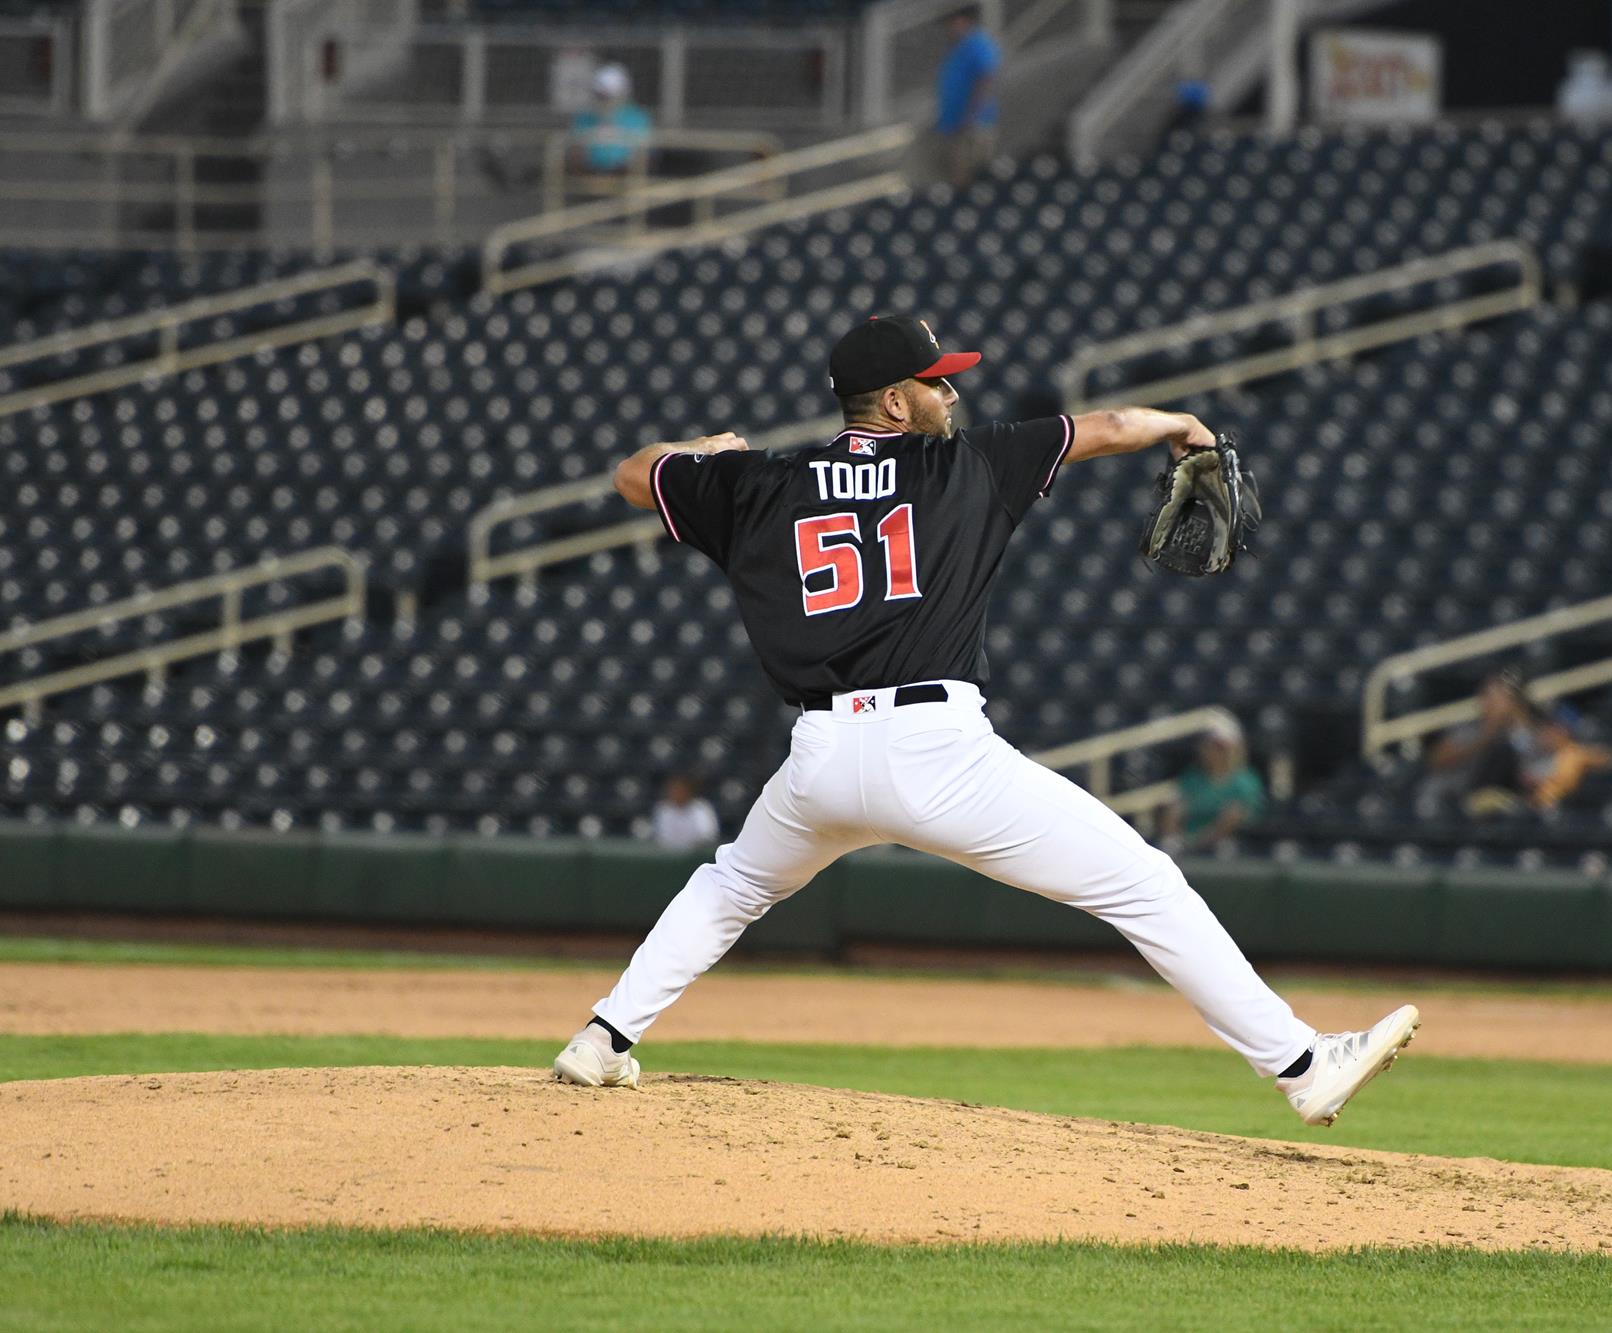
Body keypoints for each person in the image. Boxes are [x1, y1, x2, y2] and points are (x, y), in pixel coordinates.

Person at [549, 315, 1419, 1124]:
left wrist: (704, 450)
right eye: (937, 382)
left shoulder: (759, 482)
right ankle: (1304, 1067)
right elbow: (1108, 425)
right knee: (1143, 883)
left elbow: (633, 473)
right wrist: (1181, 422)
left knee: (734, 883)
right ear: (895, 401)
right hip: (938, 753)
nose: (954, 395)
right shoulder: (966, 464)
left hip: (819, 756)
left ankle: (602, 1038)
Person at [1421, 670, 1535, 816]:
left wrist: (1519, 718)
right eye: (1487, 697)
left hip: (1510, 805)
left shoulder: (1527, 731)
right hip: (1456, 801)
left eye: (1498, 698)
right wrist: (1486, 737)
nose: (1489, 703)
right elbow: (1436, 760)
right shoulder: (1469, 729)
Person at [1161, 716, 1266, 853]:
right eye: (1213, 746)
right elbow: (1175, 810)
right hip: (1185, 841)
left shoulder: (1246, 781)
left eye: (1222, 747)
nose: (1218, 752)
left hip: (1229, 845)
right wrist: (1175, 838)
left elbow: (1237, 817)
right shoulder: (1192, 778)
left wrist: (1199, 843)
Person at [934, 7, 1000, 188]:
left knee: (972, 177)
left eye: (953, 22)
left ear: (965, 21)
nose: (949, 28)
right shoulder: (957, 48)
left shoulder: (978, 44)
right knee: (954, 176)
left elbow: (986, 78)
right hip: (953, 124)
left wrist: (971, 116)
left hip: (971, 126)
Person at [568, 64, 653, 187]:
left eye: (607, 95)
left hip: (624, 182)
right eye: (600, 95)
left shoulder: (637, 118)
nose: (603, 100)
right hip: (587, 180)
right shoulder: (584, 118)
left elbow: (644, 157)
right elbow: (573, 153)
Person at [649, 774, 719, 852]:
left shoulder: (701, 809)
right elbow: (660, 838)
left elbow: (707, 836)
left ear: (688, 791)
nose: (677, 793)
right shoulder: (663, 810)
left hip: (697, 855)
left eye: (680, 790)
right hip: (668, 856)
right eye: (674, 790)